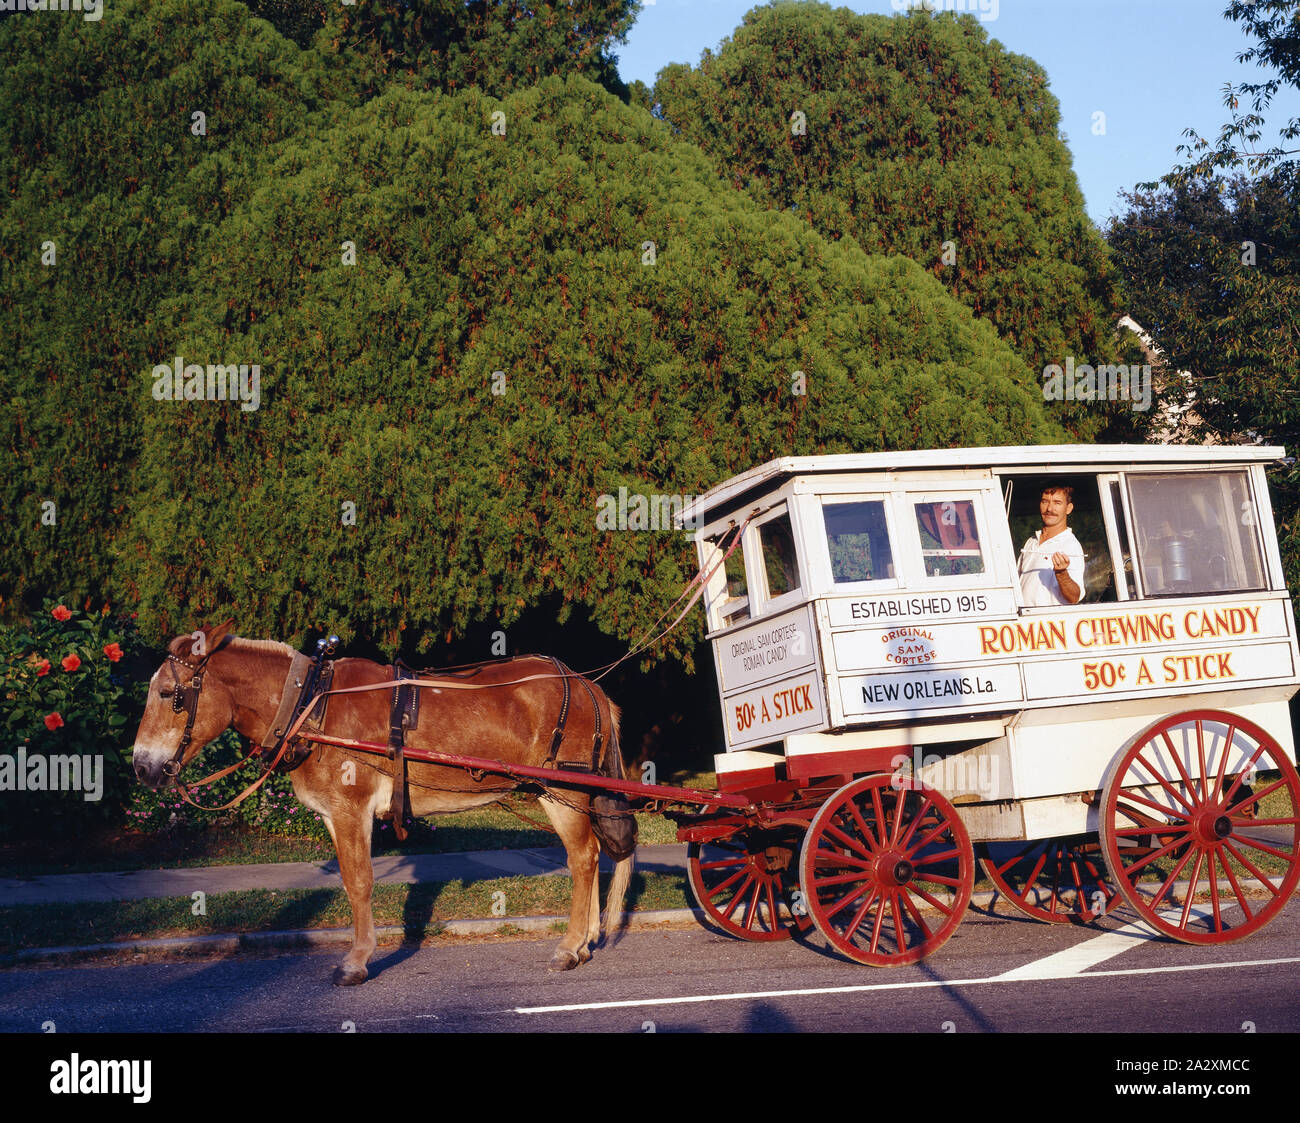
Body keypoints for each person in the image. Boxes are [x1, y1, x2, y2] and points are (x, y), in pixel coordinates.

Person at [1019, 484, 1084, 605]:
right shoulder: (1031, 541)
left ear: (1069, 508)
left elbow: (1074, 597)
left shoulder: (1071, 545)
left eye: (1057, 503)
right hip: (1023, 621)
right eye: (1045, 501)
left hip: (1047, 621)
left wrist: (1061, 573)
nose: (1049, 509)